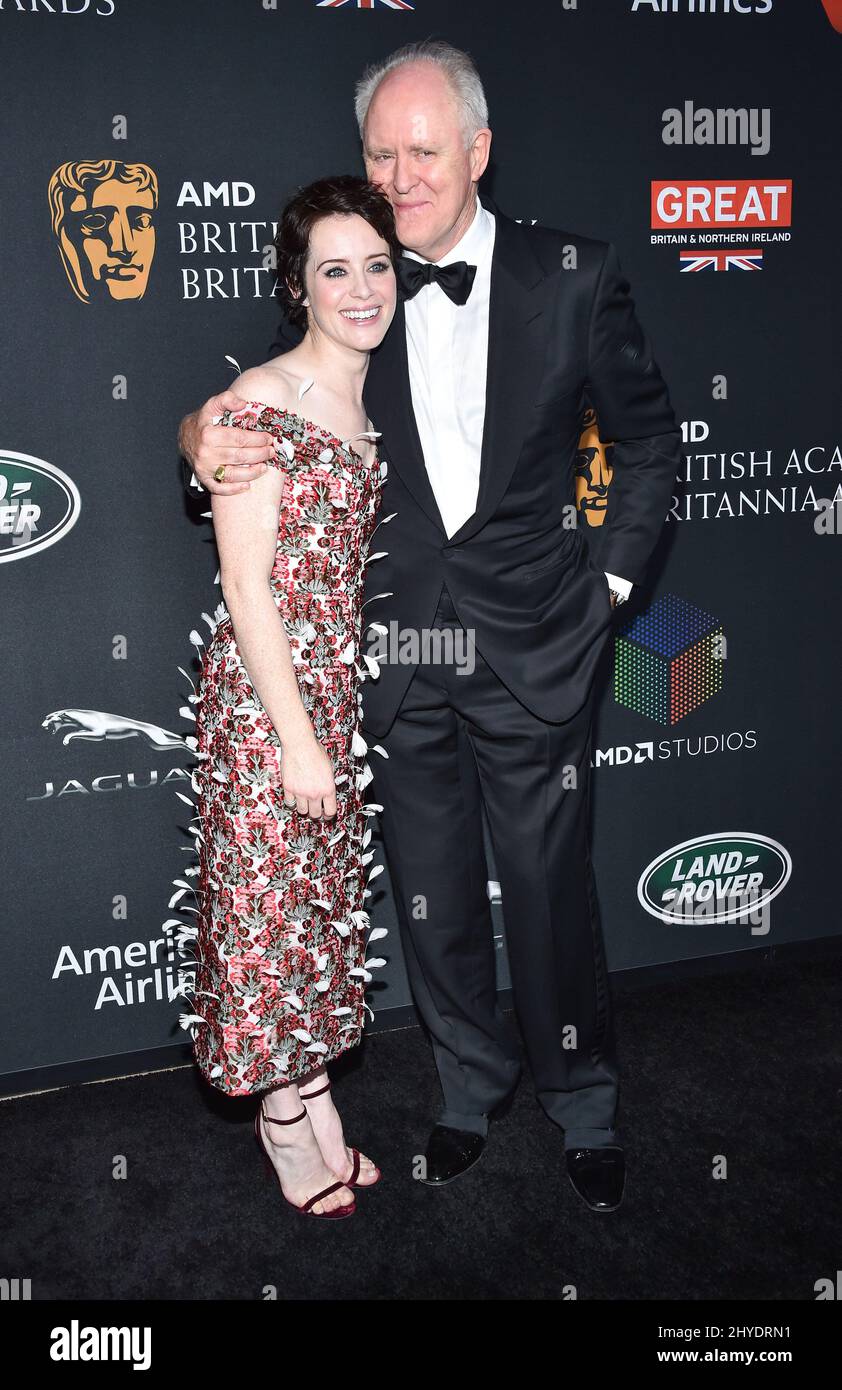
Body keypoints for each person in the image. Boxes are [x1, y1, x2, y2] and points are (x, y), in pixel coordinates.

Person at [178, 41, 682, 1214]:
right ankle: (467, 1089)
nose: (399, 175)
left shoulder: (572, 275)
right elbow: (256, 401)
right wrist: (195, 438)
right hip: (398, 655)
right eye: (378, 153)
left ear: (478, 153)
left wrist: (607, 591)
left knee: (550, 888)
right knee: (432, 892)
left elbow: (650, 442)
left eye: (422, 150)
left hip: (535, 644)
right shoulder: (359, 291)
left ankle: (583, 1100)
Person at [177, 175, 400, 1219]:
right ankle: (282, 1126)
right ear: (297, 286)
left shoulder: (356, 397)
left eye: (375, 265)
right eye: (333, 270)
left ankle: (313, 1102)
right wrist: (299, 743)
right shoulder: (260, 402)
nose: (360, 288)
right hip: (269, 702)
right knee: (267, 913)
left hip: (330, 697)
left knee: (312, 912)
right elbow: (245, 583)